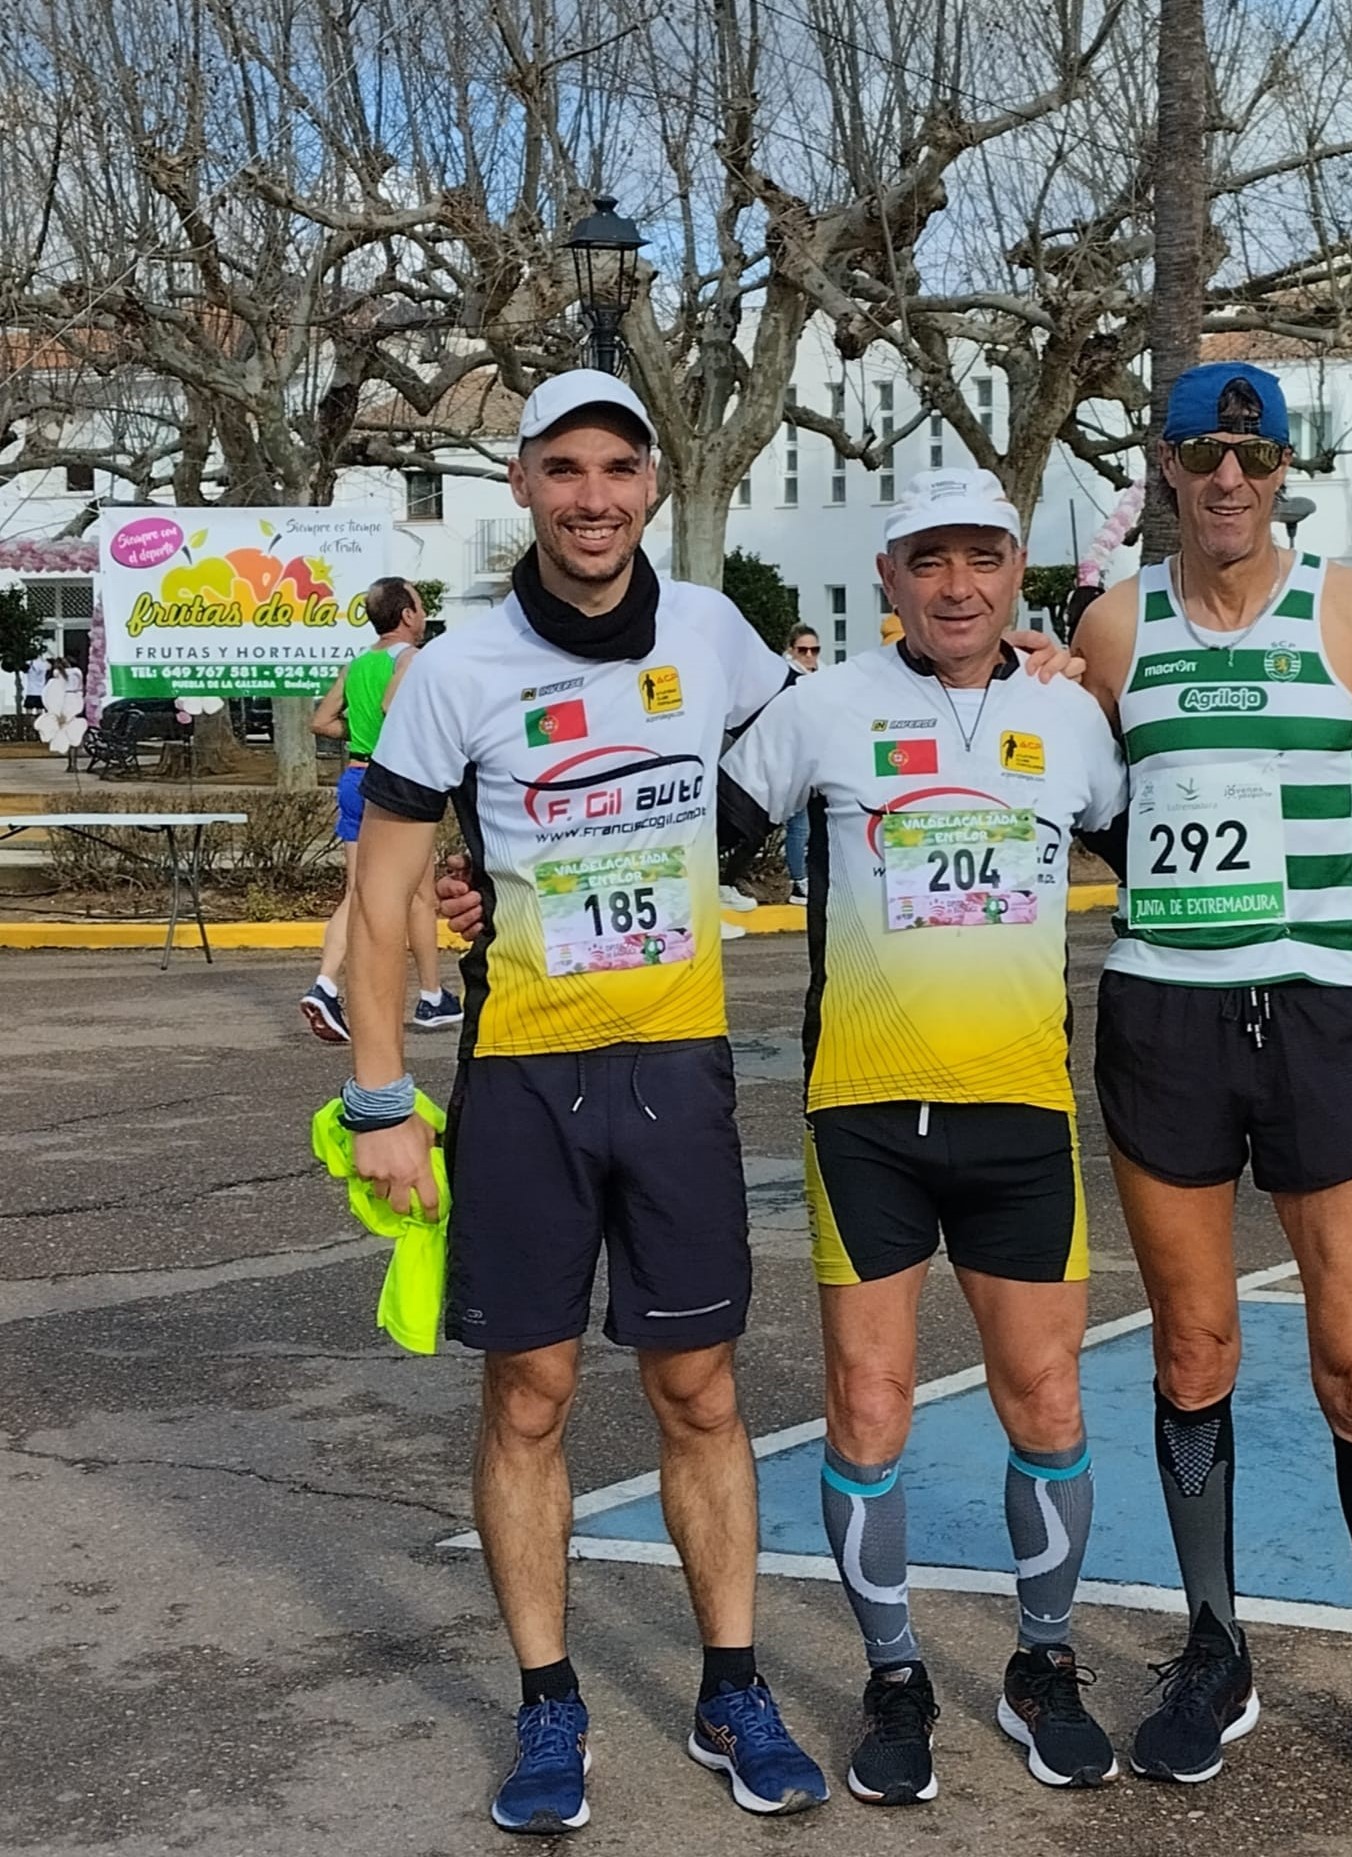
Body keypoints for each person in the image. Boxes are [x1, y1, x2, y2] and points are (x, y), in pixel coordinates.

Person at [343, 370, 829, 1831]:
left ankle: (730, 1687)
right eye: (565, 469)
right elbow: (379, 900)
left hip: (676, 1068)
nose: (594, 496)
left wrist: (1018, 679)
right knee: (530, 1394)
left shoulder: (712, 631)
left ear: (651, 485)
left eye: (619, 468)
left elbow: (819, 736)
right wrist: (379, 1098)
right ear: (522, 484)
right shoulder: (456, 671)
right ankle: (549, 1703)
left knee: (700, 1390)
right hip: (521, 1083)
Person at [1072, 362, 1352, 1817]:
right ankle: (1214, 1648)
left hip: (1319, 1018)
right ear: (1167, 470)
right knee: (1192, 1353)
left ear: (1282, 471)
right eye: (1202, 456)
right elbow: (1090, 812)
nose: (1228, 480)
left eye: (1251, 457)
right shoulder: (1112, 629)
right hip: (1163, 1022)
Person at [722, 469, 1128, 1803]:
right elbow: (694, 835)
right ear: (888, 576)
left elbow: (1159, 853)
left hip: (1021, 1115)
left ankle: (1043, 1662)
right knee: (868, 1404)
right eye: (929, 561)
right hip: (864, 1119)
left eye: (982, 559)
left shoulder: (1066, 715)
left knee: (1046, 1398)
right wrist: (494, 885)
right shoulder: (822, 705)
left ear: (1016, 573)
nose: (957, 586)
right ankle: (893, 1675)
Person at [298, 580, 462, 1043]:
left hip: (353, 777)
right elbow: (394, 704)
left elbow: (320, 721)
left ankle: (327, 984)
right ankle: (429, 996)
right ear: (408, 615)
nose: (423, 614)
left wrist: (359, 732)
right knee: (421, 896)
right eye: (420, 606)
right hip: (392, 785)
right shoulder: (410, 658)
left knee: (359, 891)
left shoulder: (356, 665)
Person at [780, 623, 821, 903]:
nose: (809, 655)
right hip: (791, 762)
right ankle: (798, 880)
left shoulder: (820, 678)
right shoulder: (788, 680)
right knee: (799, 825)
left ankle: (803, 878)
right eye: (802, 650)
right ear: (791, 650)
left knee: (809, 826)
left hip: (815, 762)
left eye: (814, 650)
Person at [22, 648, 49, 714]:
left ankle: (29, 721)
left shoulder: (29, 663)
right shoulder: (43, 664)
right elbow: (49, 666)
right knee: (40, 712)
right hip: (40, 692)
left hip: (31, 691)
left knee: (29, 712)